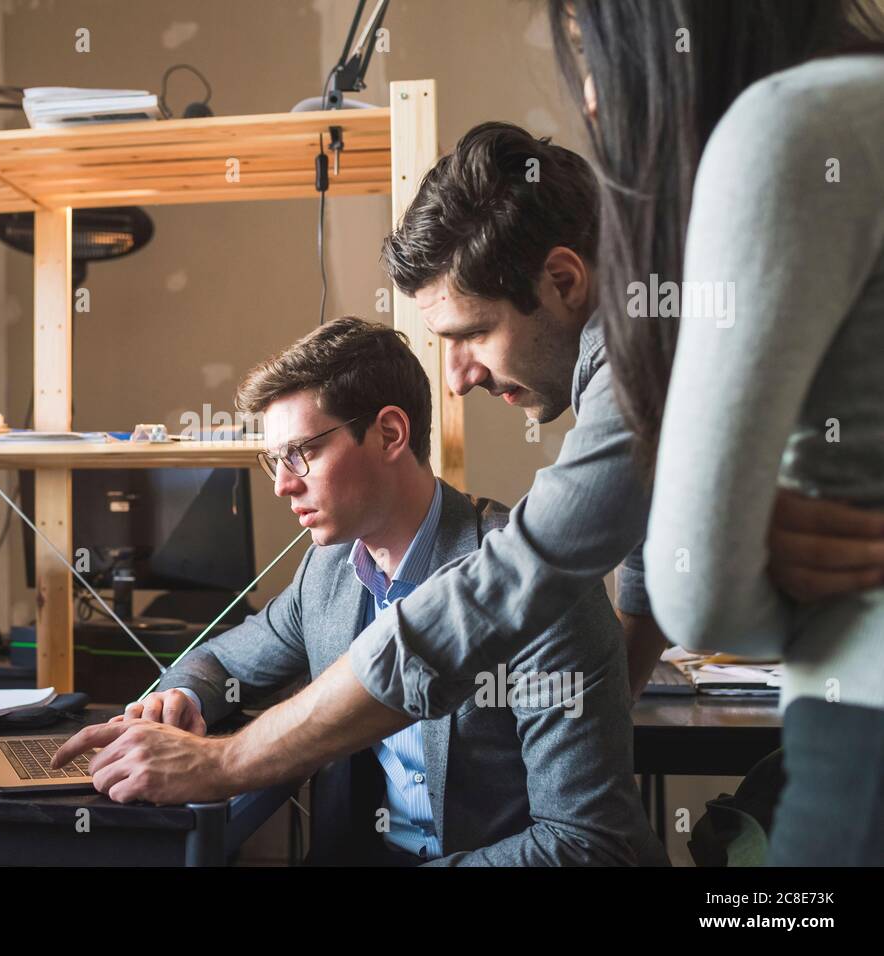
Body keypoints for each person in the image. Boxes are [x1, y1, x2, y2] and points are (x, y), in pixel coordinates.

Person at [52, 121, 880, 814]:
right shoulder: (646, 337)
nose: (459, 376)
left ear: (562, 280)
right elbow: (638, 518)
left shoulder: (635, 363)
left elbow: (515, 580)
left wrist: (227, 764)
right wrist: (614, 686)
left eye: (470, 335)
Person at [105, 316, 664, 865]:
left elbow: (586, 844)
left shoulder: (534, 585)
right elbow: (220, 661)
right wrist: (180, 698)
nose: (281, 484)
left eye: (300, 452)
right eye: (273, 460)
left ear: (390, 434)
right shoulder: (324, 573)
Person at [549, 0, 884, 865]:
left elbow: (696, 594)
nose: (591, 93)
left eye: (594, 45)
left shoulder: (790, 126)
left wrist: (742, 545)